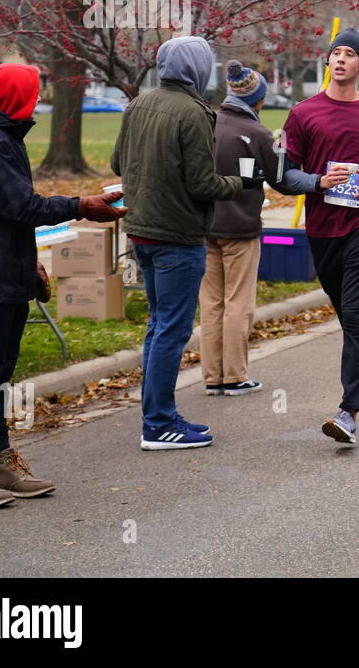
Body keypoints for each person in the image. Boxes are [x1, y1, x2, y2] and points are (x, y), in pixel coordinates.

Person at [0, 64, 125, 508]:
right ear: (17, 96)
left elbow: (5, 217)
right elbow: (19, 207)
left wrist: (29, 268)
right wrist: (81, 205)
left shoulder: (1, 135)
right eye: (33, 89)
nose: (39, 93)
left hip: (5, 273)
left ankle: (1, 463)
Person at [113, 36, 254, 450]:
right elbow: (201, 182)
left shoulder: (138, 103)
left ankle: (158, 416)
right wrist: (239, 183)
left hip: (141, 230)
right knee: (171, 331)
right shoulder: (194, 112)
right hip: (178, 235)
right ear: (196, 69)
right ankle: (157, 424)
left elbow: (118, 163)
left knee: (158, 326)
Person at [280, 29, 359, 446]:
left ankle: (346, 411)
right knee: (346, 313)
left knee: (355, 314)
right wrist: (317, 182)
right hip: (323, 228)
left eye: (350, 54)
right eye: (335, 53)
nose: (341, 60)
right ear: (328, 61)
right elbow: (283, 174)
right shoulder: (303, 113)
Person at [200, 61, 285, 397]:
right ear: (258, 99)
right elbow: (281, 177)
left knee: (211, 303)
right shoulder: (260, 133)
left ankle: (211, 375)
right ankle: (234, 375)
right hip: (241, 227)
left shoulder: (207, 122)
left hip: (206, 225)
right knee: (238, 303)